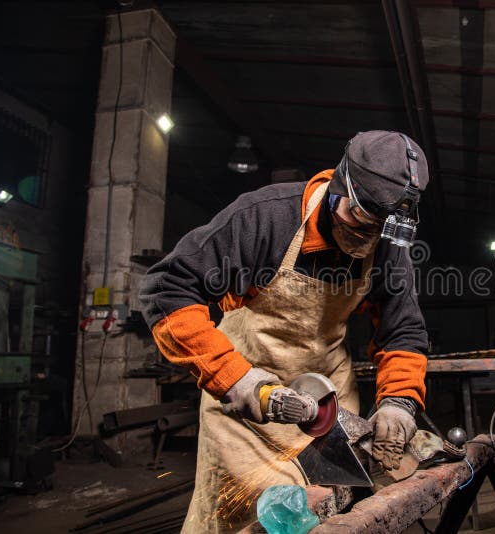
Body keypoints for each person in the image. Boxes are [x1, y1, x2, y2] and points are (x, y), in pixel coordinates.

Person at [140, 130, 430, 532]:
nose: (367, 240)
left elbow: (403, 331)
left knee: (333, 515)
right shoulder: (265, 217)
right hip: (245, 400)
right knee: (250, 520)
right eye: (361, 219)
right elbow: (167, 290)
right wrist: (234, 379)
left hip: (331, 403)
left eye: (380, 229)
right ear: (341, 183)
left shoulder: (387, 246)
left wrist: (399, 401)